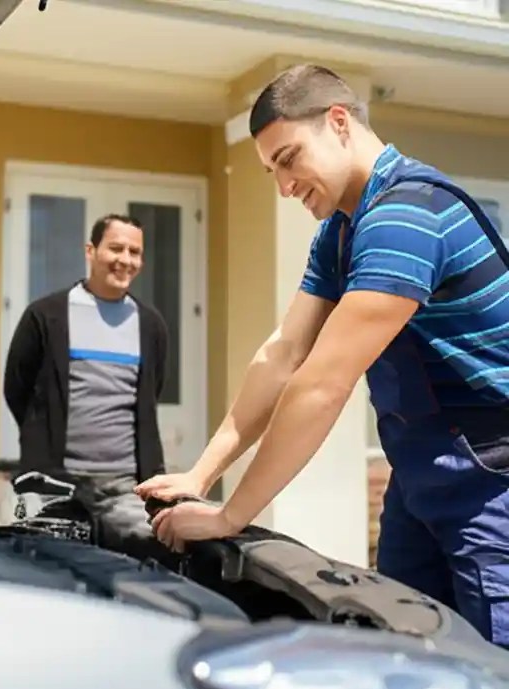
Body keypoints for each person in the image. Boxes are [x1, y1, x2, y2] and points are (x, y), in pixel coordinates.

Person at [136, 64, 509, 646]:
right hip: (419, 481)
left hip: (492, 485)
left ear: (339, 123)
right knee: (411, 657)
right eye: (270, 171)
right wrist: (201, 474)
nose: (284, 187)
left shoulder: (407, 215)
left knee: (492, 676)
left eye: (288, 159)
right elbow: (282, 354)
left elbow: (321, 384)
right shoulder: (342, 230)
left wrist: (230, 516)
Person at [3, 214, 170, 558]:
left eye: (135, 252)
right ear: (91, 251)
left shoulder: (151, 325)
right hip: (55, 486)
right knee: (47, 577)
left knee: (139, 578)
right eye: (116, 248)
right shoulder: (44, 316)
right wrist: (44, 437)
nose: (126, 260)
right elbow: (17, 388)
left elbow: (151, 396)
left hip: (128, 490)